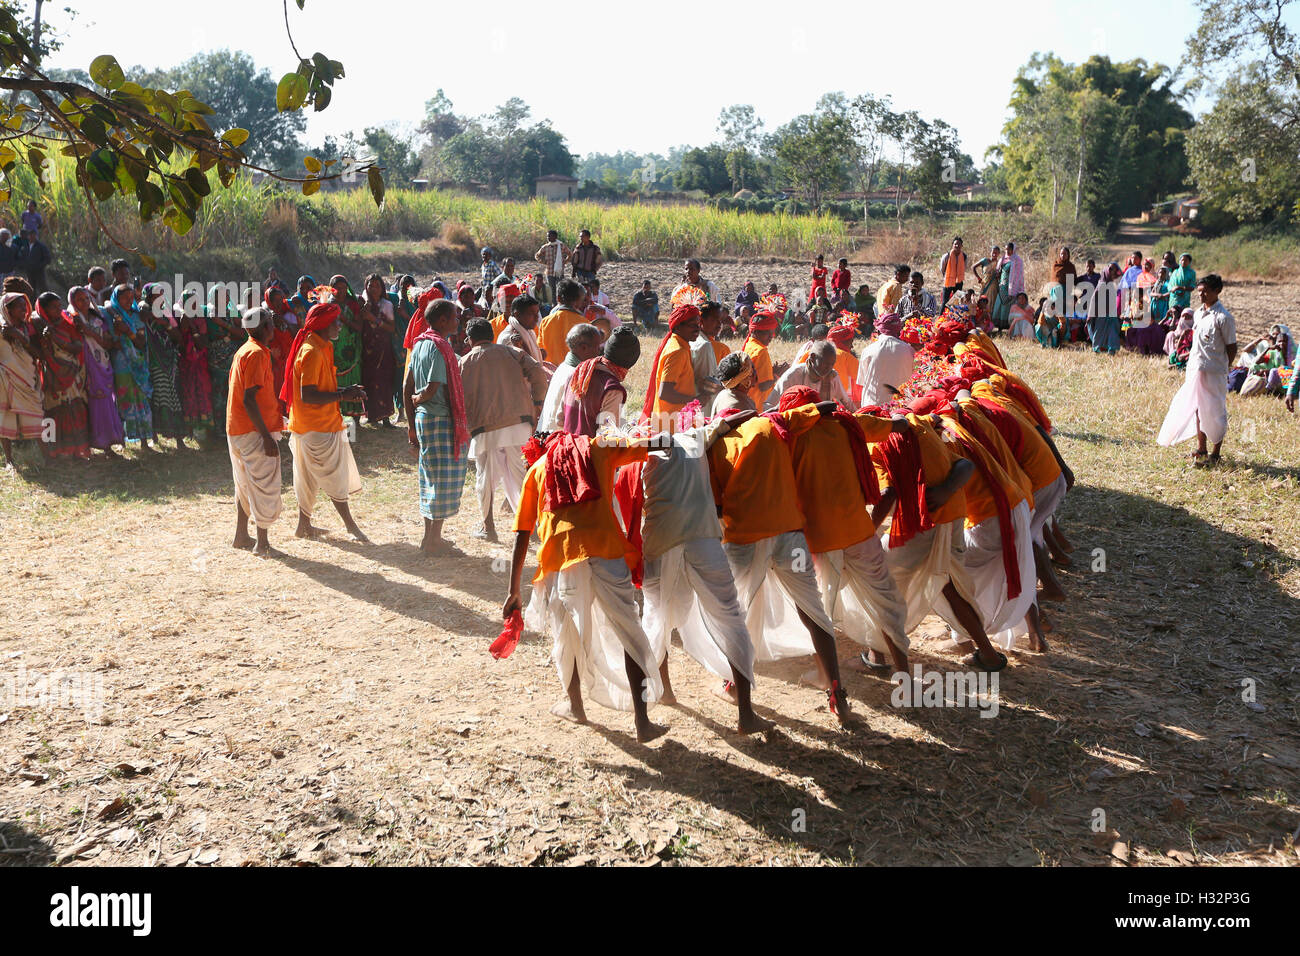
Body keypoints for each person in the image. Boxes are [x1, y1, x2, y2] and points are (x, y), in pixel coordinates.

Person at [504, 430, 666, 742]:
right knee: (628, 630)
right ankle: (643, 722)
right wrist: (684, 436)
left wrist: (514, 590)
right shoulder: (596, 449)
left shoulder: (537, 470)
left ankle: (576, 707)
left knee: (567, 635)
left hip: (562, 560)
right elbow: (645, 445)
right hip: (606, 550)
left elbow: (522, 533)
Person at [707, 401, 852, 722]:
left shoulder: (715, 443)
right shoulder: (775, 422)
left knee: (736, 617)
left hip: (745, 539)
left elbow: (717, 507)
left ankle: (736, 692)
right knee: (814, 611)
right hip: (791, 537)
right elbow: (826, 406)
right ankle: (838, 696)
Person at [779, 386, 911, 674]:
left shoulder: (789, 435)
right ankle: (903, 674)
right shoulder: (850, 424)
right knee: (885, 605)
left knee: (818, 611)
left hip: (819, 540)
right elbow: (897, 425)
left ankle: (829, 681)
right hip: (860, 532)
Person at [866, 409, 1008, 671]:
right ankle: (988, 655)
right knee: (949, 584)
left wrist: (868, 532)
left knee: (882, 584)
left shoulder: (878, 444)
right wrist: (945, 490)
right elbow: (964, 465)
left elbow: (888, 493)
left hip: (922, 521)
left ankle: (879, 657)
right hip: (952, 513)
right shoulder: (920, 429)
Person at [281, 301, 368, 542]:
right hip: (315, 426)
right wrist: (343, 395)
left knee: (308, 477)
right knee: (334, 477)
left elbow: (320, 388)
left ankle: (303, 527)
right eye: (335, 322)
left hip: (320, 423)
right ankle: (350, 526)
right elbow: (307, 394)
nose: (340, 326)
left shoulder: (322, 346)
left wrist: (346, 390)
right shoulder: (311, 351)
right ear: (323, 325)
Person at [459, 318, 548, 541]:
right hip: (518, 422)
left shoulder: (465, 362)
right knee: (523, 476)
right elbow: (538, 372)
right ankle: (534, 526)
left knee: (485, 479)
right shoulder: (512, 353)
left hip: (483, 428)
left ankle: (488, 528)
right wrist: (537, 404)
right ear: (491, 334)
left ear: (469, 340)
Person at [404, 299, 470, 556]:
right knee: (442, 480)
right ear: (442, 321)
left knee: (429, 477)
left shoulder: (419, 344)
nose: (457, 321)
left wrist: (411, 424)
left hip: (423, 420)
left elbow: (406, 386)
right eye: (454, 317)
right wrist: (421, 398)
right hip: (440, 420)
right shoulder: (439, 347)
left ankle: (430, 538)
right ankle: (433, 541)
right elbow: (431, 387)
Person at [1157, 274, 1236, 466]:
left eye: (1206, 291)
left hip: (1214, 371)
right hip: (1196, 368)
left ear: (1217, 291)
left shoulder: (1224, 318)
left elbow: (1231, 347)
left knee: (1215, 410)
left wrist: (1225, 369)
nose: (1201, 295)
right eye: (1200, 292)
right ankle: (1202, 449)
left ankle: (1216, 454)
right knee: (1199, 409)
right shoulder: (1199, 313)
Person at [227, 307, 285, 556]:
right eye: (271, 322)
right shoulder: (257, 354)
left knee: (244, 484)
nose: (274, 326)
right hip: (252, 430)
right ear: (264, 328)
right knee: (263, 484)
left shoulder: (244, 349)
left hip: (237, 428)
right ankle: (262, 544)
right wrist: (265, 436)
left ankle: (241, 536)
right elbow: (250, 399)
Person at [66, 286, 124, 455]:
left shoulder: (97, 318)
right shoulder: (71, 320)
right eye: (79, 299)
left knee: (106, 402)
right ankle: (98, 444)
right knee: (92, 404)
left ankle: (111, 440)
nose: (84, 302)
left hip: (102, 364)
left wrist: (89, 331)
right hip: (85, 367)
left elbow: (107, 343)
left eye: (86, 298)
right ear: (72, 302)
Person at [38, 291, 90, 460]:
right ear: (44, 310)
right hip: (50, 377)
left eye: (59, 306)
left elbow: (77, 347)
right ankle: (53, 452)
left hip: (71, 374)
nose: (58, 310)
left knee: (75, 409)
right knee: (52, 413)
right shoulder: (36, 326)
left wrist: (58, 340)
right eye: (53, 308)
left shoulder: (67, 324)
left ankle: (77, 450)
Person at [564, 326, 639, 437]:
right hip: (588, 452)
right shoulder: (612, 389)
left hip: (564, 447)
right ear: (631, 362)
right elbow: (606, 437)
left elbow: (559, 420)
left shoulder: (578, 372)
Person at [105, 283, 154, 449]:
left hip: (137, 364)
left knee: (141, 400)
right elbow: (109, 341)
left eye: (131, 297)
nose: (128, 300)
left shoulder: (137, 316)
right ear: (116, 298)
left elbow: (141, 343)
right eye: (124, 297)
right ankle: (124, 440)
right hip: (120, 364)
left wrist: (128, 332)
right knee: (124, 400)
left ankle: (145, 441)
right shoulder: (110, 315)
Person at [140, 284, 189, 449]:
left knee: (174, 396)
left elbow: (178, 338)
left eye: (162, 295)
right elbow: (142, 314)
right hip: (154, 361)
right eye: (156, 295)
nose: (160, 298)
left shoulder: (166, 314)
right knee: (158, 397)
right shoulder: (143, 311)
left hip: (169, 359)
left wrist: (163, 322)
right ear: (148, 297)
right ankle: (156, 434)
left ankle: (178, 437)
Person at [0, 291, 44, 468]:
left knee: (38, 413)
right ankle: (9, 460)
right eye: (19, 307)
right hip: (4, 378)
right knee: (5, 416)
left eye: (24, 306)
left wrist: (21, 338)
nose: (24, 309)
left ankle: (46, 455)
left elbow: (38, 354)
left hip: (27, 377)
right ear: (7, 309)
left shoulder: (27, 328)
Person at [642, 303, 701, 421]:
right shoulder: (678, 351)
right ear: (678, 327)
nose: (698, 328)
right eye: (693, 325)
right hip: (671, 424)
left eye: (699, 324)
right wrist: (697, 399)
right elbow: (665, 393)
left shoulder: (680, 345)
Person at [540, 322, 600, 432]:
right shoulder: (575, 375)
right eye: (597, 347)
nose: (599, 352)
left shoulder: (564, 367)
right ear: (583, 348)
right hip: (555, 437)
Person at [204, 285, 243, 440]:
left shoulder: (231, 312)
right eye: (220, 296)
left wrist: (223, 324)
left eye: (227, 295)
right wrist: (229, 331)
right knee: (218, 395)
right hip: (217, 361)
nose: (225, 299)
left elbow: (242, 333)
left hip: (232, 359)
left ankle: (232, 427)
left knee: (233, 393)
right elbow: (213, 335)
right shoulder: (208, 313)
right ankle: (218, 429)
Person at [358, 274, 396, 427]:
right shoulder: (362, 304)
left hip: (382, 349)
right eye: (370, 285)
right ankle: (372, 415)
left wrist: (373, 319)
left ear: (382, 288)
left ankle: (386, 417)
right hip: (366, 349)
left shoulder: (386, 305)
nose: (373, 289)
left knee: (383, 380)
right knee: (369, 380)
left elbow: (392, 328)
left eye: (377, 286)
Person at [328, 275, 365, 431]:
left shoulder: (353, 304)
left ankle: (355, 420)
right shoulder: (328, 305)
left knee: (353, 380)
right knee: (335, 382)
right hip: (334, 349)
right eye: (337, 289)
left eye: (344, 288)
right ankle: (337, 420)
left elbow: (359, 327)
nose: (341, 292)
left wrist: (344, 320)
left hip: (350, 348)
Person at [768, 340, 851, 409]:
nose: (828, 368)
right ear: (813, 357)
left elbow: (846, 402)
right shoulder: (794, 374)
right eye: (825, 363)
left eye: (832, 364)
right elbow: (771, 405)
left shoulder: (832, 376)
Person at [537, 278, 587, 366]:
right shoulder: (584, 323)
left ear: (558, 298)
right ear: (578, 300)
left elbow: (540, 351)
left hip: (553, 374)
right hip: (575, 373)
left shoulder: (545, 321)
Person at [742, 310, 781, 409]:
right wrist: (778, 375)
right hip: (758, 405)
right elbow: (764, 385)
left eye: (772, 333)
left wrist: (772, 371)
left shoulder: (749, 345)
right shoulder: (761, 351)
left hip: (747, 401)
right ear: (755, 331)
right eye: (767, 333)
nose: (770, 337)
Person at [534, 229, 571, 298]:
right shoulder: (545, 247)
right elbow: (537, 256)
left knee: (560, 290)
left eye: (550, 236)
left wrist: (565, 262)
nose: (548, 238)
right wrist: (543, 262)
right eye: (547, 236)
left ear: (555, 237)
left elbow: (570, 254)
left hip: (560, 272)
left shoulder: (561, 246)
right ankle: (553, 304)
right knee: (552, 290)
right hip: (549, 272)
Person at [938, 237, 967, 306]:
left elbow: (964, 268)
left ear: (962, 246)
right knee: (945, 301)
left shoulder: (964, 256)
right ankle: (942, 316)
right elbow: (942, 268)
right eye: (955, 244)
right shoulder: (946, 256)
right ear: (952, 245)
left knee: (956, 301)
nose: (957, 246)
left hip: (958, 282)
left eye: (959, 244)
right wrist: (947, 277)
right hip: (948, 281)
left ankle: (953, 316)